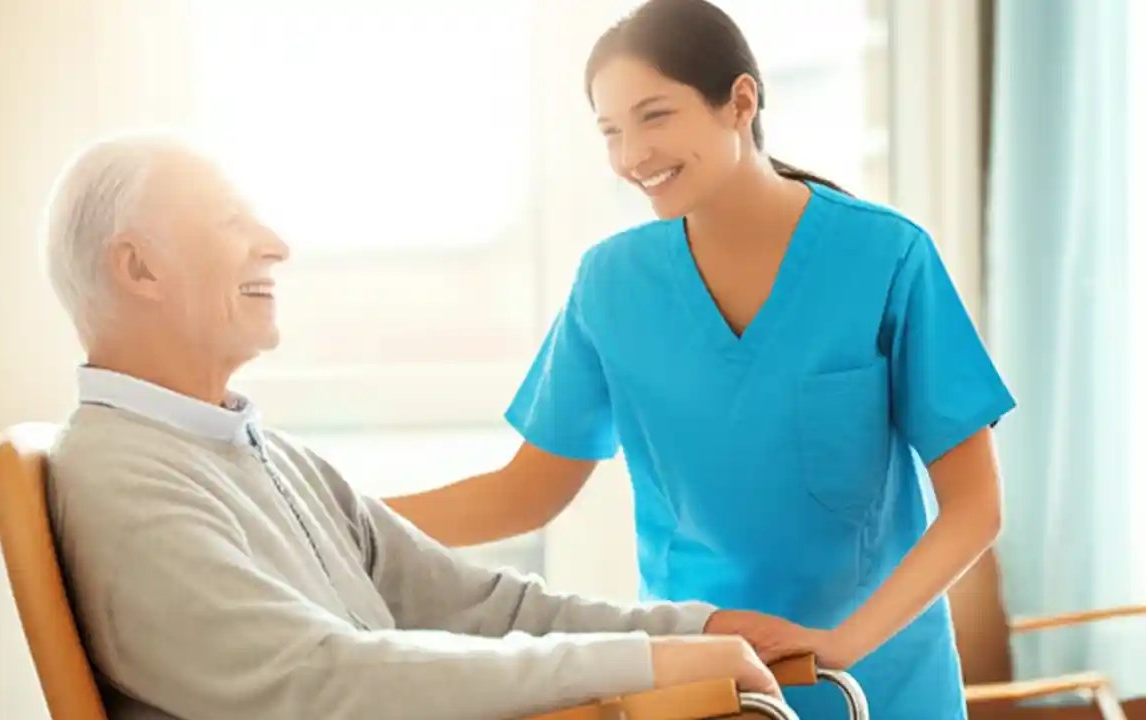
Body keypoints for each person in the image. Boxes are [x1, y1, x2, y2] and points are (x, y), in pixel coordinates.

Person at [384, 0, 1016, 717]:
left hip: (880, 680)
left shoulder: (885, 257)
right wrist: (342, 522)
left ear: (740, 102)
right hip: (708, 680)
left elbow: (975, 507)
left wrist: (841, 644)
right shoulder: (612, 284)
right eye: (611, 131)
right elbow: (525, 492)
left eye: (655, 116)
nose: (632, 156)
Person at [39, 132, 781, 720]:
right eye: (231, 222)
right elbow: (324, 682)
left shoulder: (261, 453)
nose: (275, 245)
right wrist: (649, 665)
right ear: (139, 270)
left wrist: (697, 632)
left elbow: (481, 608)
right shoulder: (122, 482)